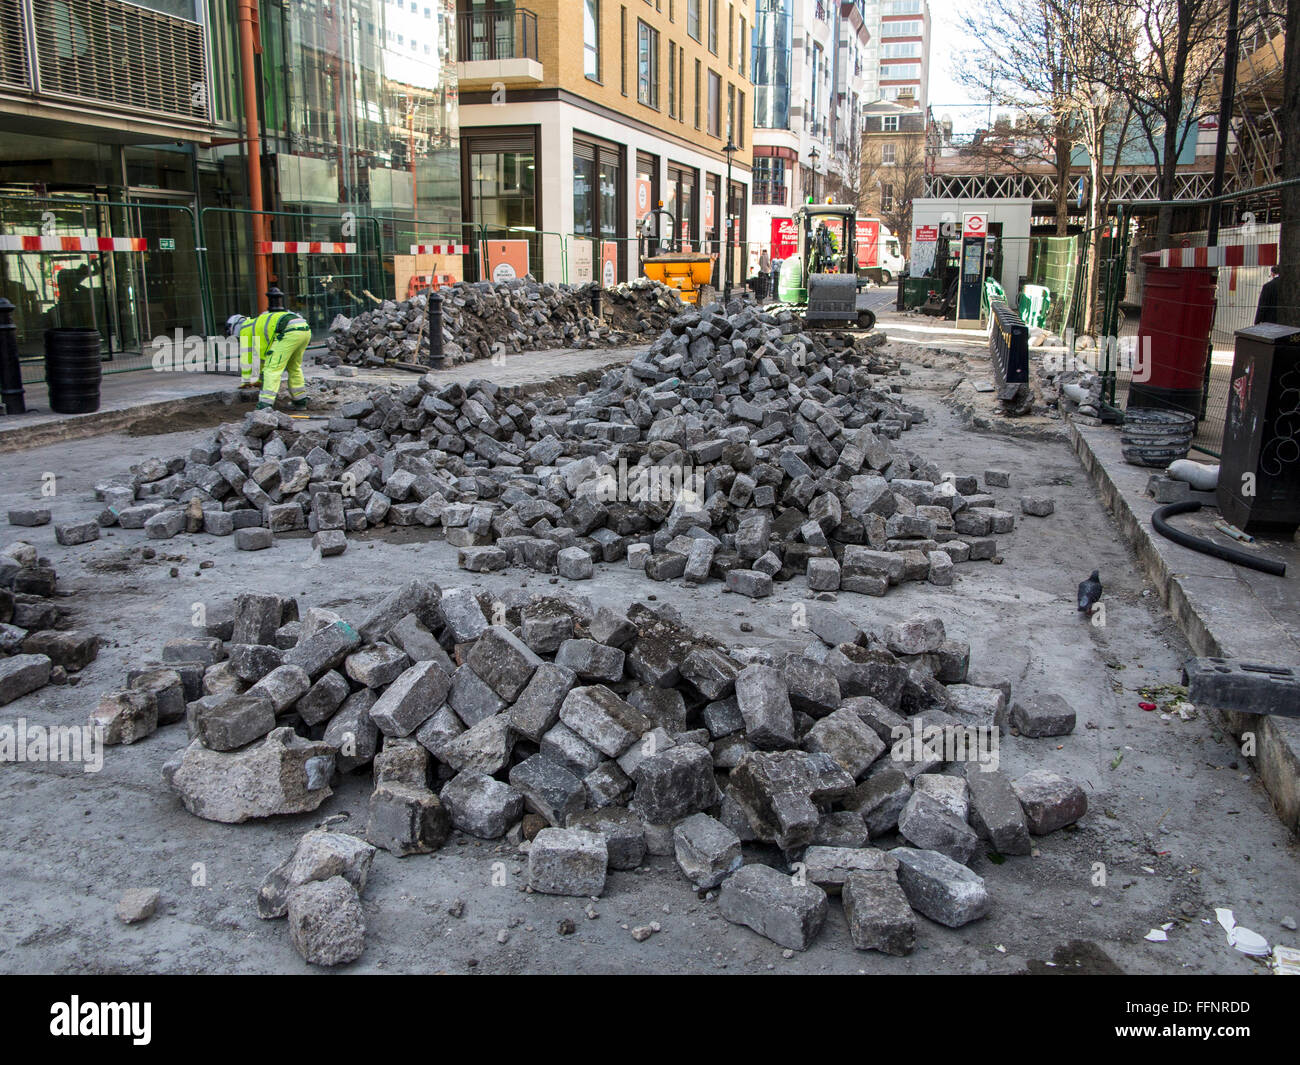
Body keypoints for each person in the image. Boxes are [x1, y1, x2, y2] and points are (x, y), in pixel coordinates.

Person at [224, 307, 311, 410]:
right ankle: (300, 402)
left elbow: (247, 358)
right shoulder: (255, 323)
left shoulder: (245, 329)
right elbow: (262, 357)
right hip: (304, 329)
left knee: (271, 370)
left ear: (234, 327)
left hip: (288, 332)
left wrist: (247, 381)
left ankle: (264, 406)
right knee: (294, 368)